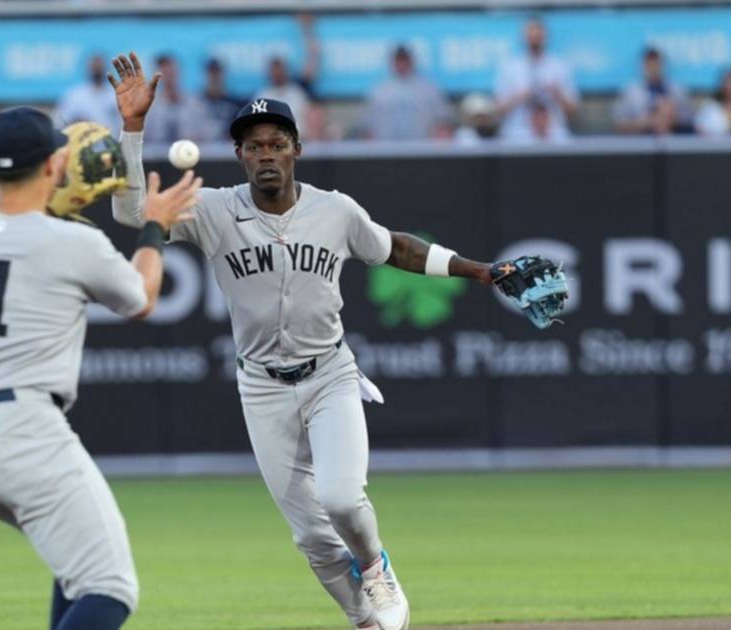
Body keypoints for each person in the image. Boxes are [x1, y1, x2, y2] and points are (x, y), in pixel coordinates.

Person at [108, 51, 503, 630]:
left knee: (343, 499)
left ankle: (375, 566)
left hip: (329, 374)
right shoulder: (215, 211)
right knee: (312, 538)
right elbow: (130, 211)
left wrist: (480, 271)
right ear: (239, 156)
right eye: (253, 144)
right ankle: (365, 622)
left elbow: (394, 246)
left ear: (297, 149)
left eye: (276, 142)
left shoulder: (334, 210)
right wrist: (134, 129)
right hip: (263, 388)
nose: (265, 152)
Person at [0, 107, 201, 630]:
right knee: (110, 588)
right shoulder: (74, 243)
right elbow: (142, 297)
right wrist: (156, 224)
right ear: (55, 165)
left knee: (77, 561)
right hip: (23, 431)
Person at [494, 17, 578, 142]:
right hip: (517, 131)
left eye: (538, 34)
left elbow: (573, 111)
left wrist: (556, 93)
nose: (534, 38)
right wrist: (520, 96)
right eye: (531, 34)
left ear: (545, 36)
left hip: (553, 131)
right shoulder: (510, 67)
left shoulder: (559, 66)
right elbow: (498, 110)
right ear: (524, 37)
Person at [364, 46, 451, 141]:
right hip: (386, 150)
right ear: (392, 62)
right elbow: (368, 127)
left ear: (412, 61)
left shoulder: (429, 90)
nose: (402, 64)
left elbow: (442, 122)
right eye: (398, 61)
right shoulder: (379, 91)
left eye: (405, 60)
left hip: (422, 149)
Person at [612, 48, 692, 136]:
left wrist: (671, 117)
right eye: (649, 64)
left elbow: (689, 119)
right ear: (642, 66)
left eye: (656, 63)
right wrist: (649, 121)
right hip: (639, 142)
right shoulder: (630, 92)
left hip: (673, 141)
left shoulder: (676, 90)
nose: (653, 68)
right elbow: (619, 124)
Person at [142, 54, 208, 145]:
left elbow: (206, 137)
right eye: (164, 71)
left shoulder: (195, 104)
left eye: (171, 70)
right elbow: (142, 138)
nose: (168, 74)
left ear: (178, 71)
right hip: (156, 157)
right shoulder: (149, 106)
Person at [55, 54, 121, 133]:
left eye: (99, 66)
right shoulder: (74, 95)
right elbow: (60, 121)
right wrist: (77, 123)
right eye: (94, 66)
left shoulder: (115, 94)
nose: (97, 68)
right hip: (80, 143)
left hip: (112, 143)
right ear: (89, 68)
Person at [199, 58, 244, 141]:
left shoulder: (237, 105)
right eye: (211, 72)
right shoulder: (196, 103)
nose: (214, 76)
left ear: (224, 74)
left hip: (227, 151)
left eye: (217, 72)